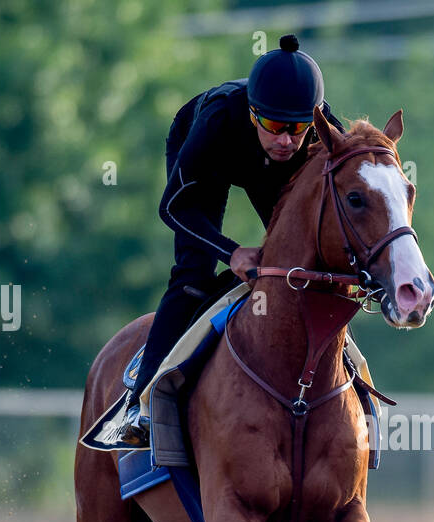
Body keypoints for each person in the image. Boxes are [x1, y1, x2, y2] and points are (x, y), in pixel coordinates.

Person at [119, 35, 345, 444]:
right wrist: (232, 252)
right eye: (276, 126)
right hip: (209, 151)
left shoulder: (321, 132)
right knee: (192, 275)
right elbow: (172, 208)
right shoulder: (219, 119)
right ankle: (141, 402)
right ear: (255, 114)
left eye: (298, 129)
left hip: (269, 170)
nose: (287, 141)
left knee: (307, 269)